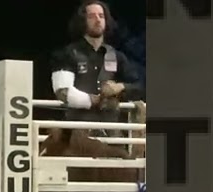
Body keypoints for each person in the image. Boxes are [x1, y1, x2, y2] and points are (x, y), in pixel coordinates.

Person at [49, 1, 144, 130]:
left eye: (101, 16)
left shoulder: (117, 56)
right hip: (77, 131)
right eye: (92, 16)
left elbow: (139, 86)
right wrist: (92, 100)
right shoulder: (68, 54)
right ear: (82, 21)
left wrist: (120, 87)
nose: (98, 20)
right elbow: (62, 91)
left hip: (111, 133)